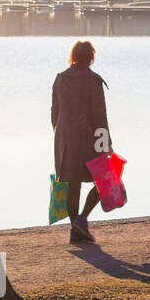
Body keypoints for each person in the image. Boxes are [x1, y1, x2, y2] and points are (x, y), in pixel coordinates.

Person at [52, 40, 111, 245]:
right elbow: (99, 116)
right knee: (104, 181)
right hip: (89, 141)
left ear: (73, 56)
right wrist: (106, 144)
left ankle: (75, 229)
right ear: (91, 57)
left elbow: (54, 115)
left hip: (65, 143)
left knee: (72, 186)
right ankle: (81, 219)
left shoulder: (60, 79)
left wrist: (60, 138)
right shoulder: (93, 81)